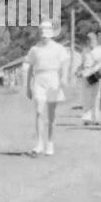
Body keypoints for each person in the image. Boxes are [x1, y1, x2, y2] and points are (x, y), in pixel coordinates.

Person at [24, 19, 70, 155]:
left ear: (51, 33)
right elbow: (30, 67)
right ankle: (39, 143)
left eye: (46, 31)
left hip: (53, 79)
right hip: (39, 79)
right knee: (39, 110)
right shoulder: (35, 49)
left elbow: (65, 63)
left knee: (51, 114)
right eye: (42, 32)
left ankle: (50, 142)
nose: (44, 34)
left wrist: (64, 76)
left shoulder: (58, 48)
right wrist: (28, 87)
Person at [80, 32, 101, 125]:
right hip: (86, 74)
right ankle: (87, 117)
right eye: (89, 40)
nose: (90, 42)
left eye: (92, 40)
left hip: (96, 75)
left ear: (95, 41)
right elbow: (82, 63)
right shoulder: (85, 51)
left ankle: (96, 118)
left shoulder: (100, 50)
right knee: (86, 97)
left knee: (96, 97)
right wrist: (78, 71)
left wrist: (100, 73)